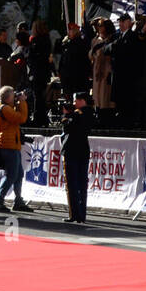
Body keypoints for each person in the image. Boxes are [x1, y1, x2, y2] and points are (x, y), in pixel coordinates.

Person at [0, 85, 32, 214]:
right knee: (11, 175)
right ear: (8, 98)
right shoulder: (5, 108)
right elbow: (21, 118)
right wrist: (22, 102)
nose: (16, 97)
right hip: (8, 145)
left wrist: (18, 102)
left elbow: (14, 116)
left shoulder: (1, 105)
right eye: (13, 95)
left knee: (18, 174)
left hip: (12, 144)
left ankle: (18, 201)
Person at [105, 12, 146, 128]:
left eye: (123, 21)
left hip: (128, 77)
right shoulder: (119, 36)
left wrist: (114, 46)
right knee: (120, 103)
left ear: (129, 22)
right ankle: (123, 122)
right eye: (120, 22)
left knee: (128, 103)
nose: (121, 24)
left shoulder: (132, 36)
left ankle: (128, 124)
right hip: (119, 76)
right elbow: (107, 48)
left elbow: (123, 50)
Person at [60, 91, 94, 224]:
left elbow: (67, 126)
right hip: (83, 151)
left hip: (71, 151)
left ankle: (74, 213)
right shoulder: (90, 113)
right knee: (82, 184)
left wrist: (66, 114)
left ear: (81, 101)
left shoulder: (78, 114)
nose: (74, 103)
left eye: (75, 100)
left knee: (72, 185)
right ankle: (81, 214)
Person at [26, 19, 53, 125]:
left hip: (37, 72)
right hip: (44, 72)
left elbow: (32, 56)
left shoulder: (36, 41)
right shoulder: (47, 39)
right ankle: (43, 117)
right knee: (41, 95)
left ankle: (38, 118)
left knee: (37, 95)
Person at [56, 21, 92, 100]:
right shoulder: (67, 43)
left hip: (78, 78)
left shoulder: (82, 43)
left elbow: (85, 61)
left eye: (71, 29)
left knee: (79, 99)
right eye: (69, 29)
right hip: (67, 79)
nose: (69, 31)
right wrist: (60, 71)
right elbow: (63, 59)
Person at [90, 19, 114, 123]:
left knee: (106, 97)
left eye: (100, 26)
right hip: (97, 70)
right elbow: (91, 54)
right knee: (97, 97)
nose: (98, 28)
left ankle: (106, 118)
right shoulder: (95, 40)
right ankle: (98, 115)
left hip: (106, 70)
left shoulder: (111, 39)